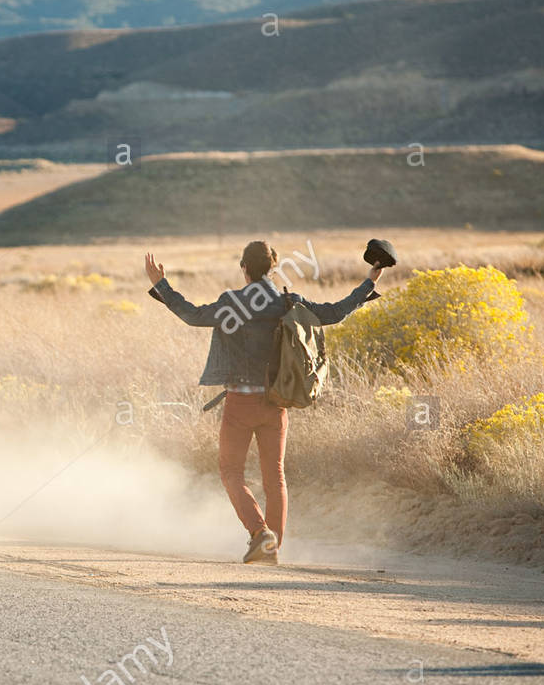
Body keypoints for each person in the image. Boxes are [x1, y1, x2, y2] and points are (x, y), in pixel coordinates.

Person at [144, 241, 384, 565]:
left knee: (231, 472)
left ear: (244, 268)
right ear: (273, 267)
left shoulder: (232, 303)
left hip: (240, 405)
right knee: (276, 478)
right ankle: (272, 547)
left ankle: (260, 535)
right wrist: (370, 282)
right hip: (276, 403)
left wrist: (161, 284)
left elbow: (192, 315)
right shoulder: (289, 302)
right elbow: (335, 312)